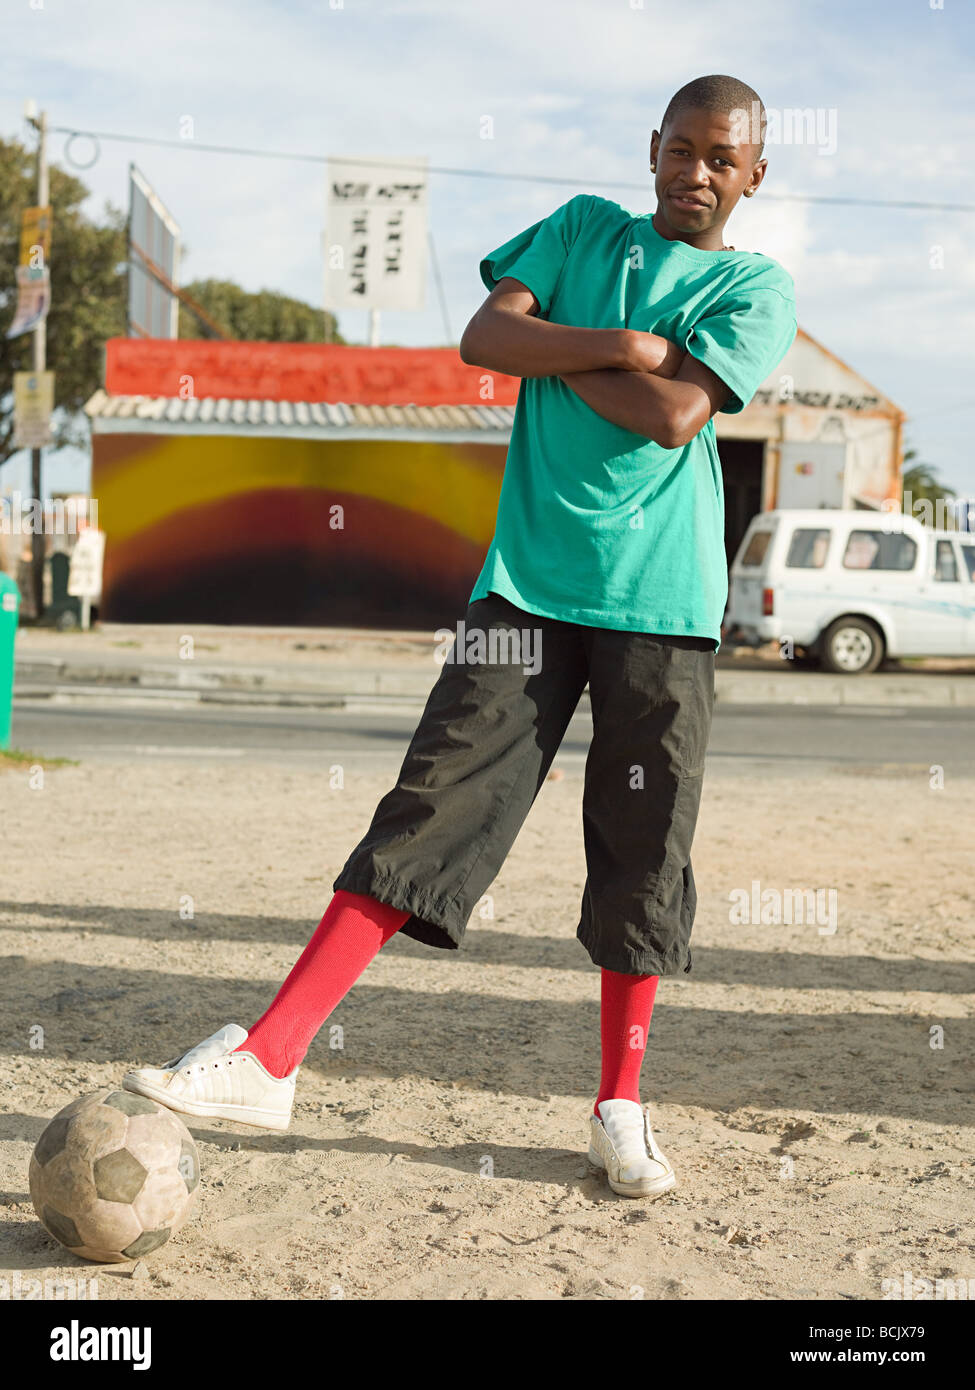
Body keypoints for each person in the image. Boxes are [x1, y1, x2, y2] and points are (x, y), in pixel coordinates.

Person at [124, 74, 797, 1199]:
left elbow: (678, 412)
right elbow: (486, 336)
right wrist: (632, 345)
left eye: (722, 158)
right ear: (654, 148)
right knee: (430, 807)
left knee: (644, 853)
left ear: (753, 175)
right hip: (526, 588)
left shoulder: (752, 284)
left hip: (664, 608)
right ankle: (271, 1057)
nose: (697, 172)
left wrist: (597, 357)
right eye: (682, 148)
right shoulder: (583, 228)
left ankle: (619, 1108)